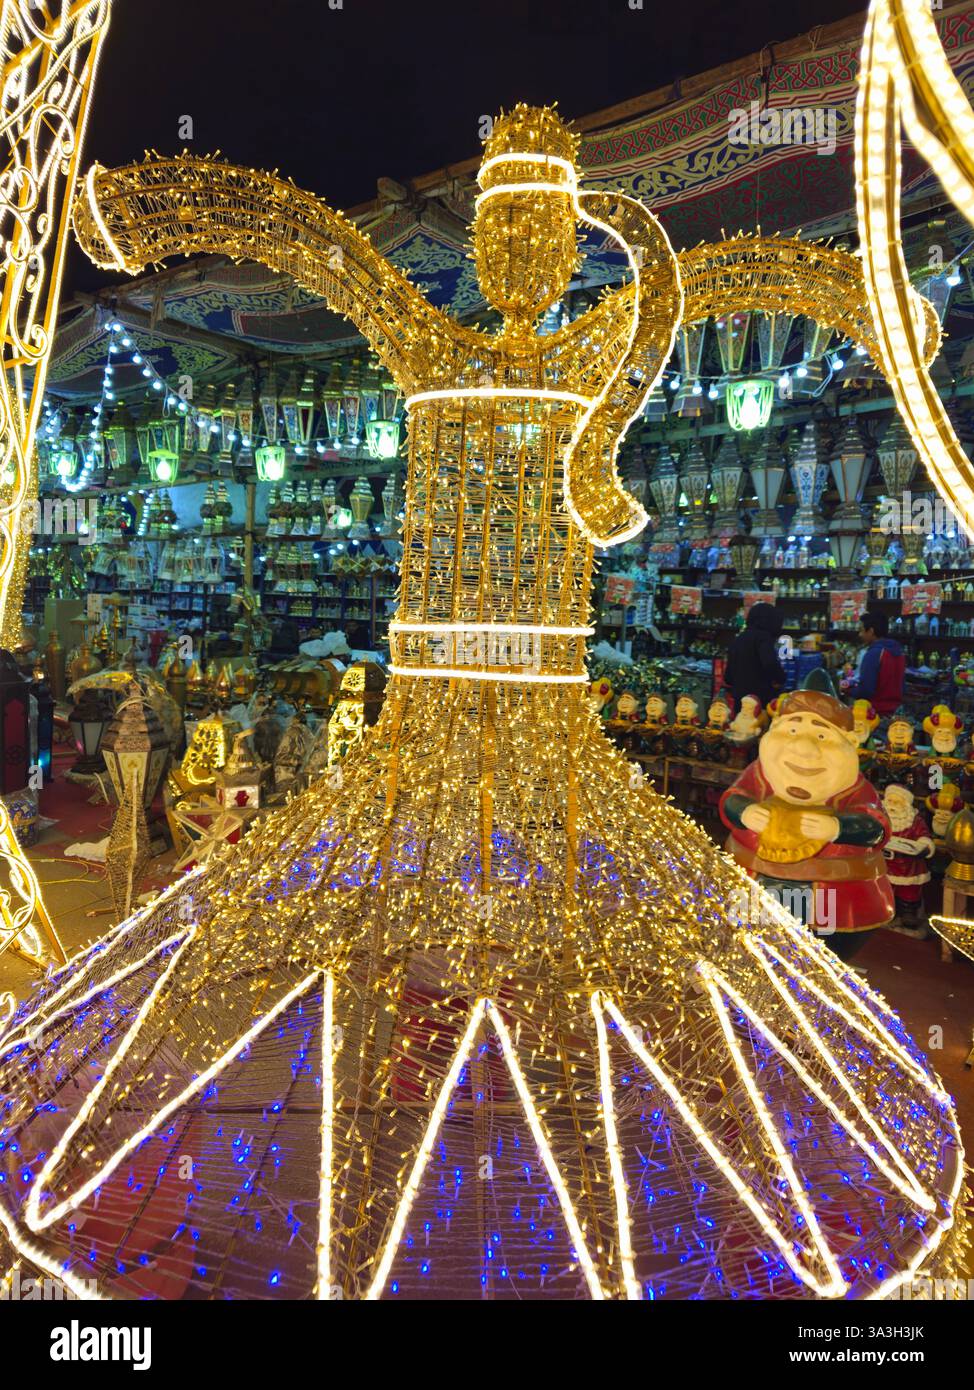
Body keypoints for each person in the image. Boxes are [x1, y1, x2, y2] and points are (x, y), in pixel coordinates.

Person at [725, 602, 786, 709]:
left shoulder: (739, 638)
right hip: (760, 700)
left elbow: (728, 676)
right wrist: (780, 678)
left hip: (740, 699)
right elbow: (770, 663)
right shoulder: (763, 637)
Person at [847, 610, 905, 715]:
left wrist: (848, 690)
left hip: (874, 712)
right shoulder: (899, 651)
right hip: (895, 711)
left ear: (871, 631)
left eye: (862, 630)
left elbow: (866, 691)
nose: (860, 634)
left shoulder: (873, 654)